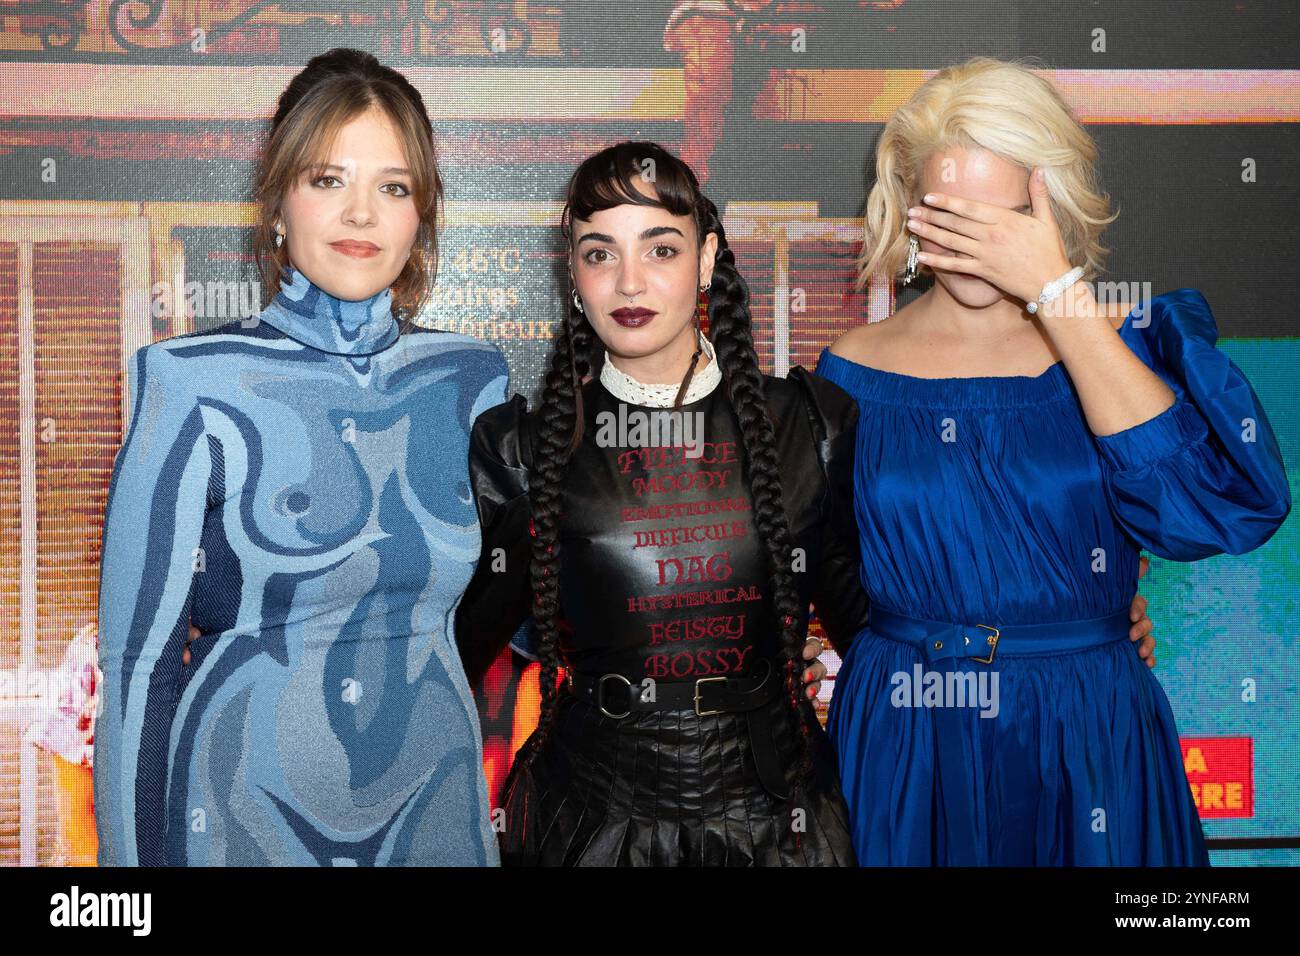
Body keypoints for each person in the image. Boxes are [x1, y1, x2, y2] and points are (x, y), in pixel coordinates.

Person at [816, 57, 1291, 865]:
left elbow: (1213, 511)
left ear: (1052, 208)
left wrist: (1058, 295)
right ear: (909, 212)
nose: (976, 248)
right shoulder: (847, 373)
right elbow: (813, 558)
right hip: (906, 729)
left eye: (1001, 221)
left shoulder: (1125, 348)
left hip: (1087, 728)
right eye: (948, 217)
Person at [94, 48, 506, 866]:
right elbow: (138, 671)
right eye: (327, 180)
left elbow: (525, 620)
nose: (361, 214)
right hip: (240, 822)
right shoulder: (188, 383)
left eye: (392, 187)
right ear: (278, 204)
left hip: (440, 819)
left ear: (421, 215)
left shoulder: (473, 381)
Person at [456, 141, 866, 866]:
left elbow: (872, 621)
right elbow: (451, 644)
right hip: (590, 825)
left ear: (707, 260)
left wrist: (1060, 621)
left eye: (661, 248)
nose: (629, 281)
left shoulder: (809, 424)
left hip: (777, 827)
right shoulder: (521, 446)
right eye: (600, 253)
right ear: (574, 277)